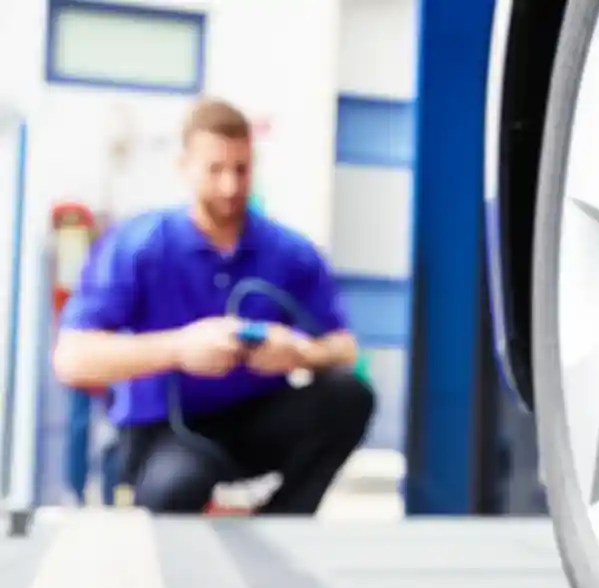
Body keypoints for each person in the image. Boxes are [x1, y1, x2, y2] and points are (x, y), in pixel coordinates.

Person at [53, 97, 374, 515]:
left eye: (241, 170)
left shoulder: (290, 253)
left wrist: (300, 353)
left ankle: (282, 520)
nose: (230, 186)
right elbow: (71, 359)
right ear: (184, 165)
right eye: (215, 170)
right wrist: (179, 350)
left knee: (349, 396)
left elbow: (345, 347)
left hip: (256, 420)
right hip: (167, 432)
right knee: (174, 490)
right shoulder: (137, 246)